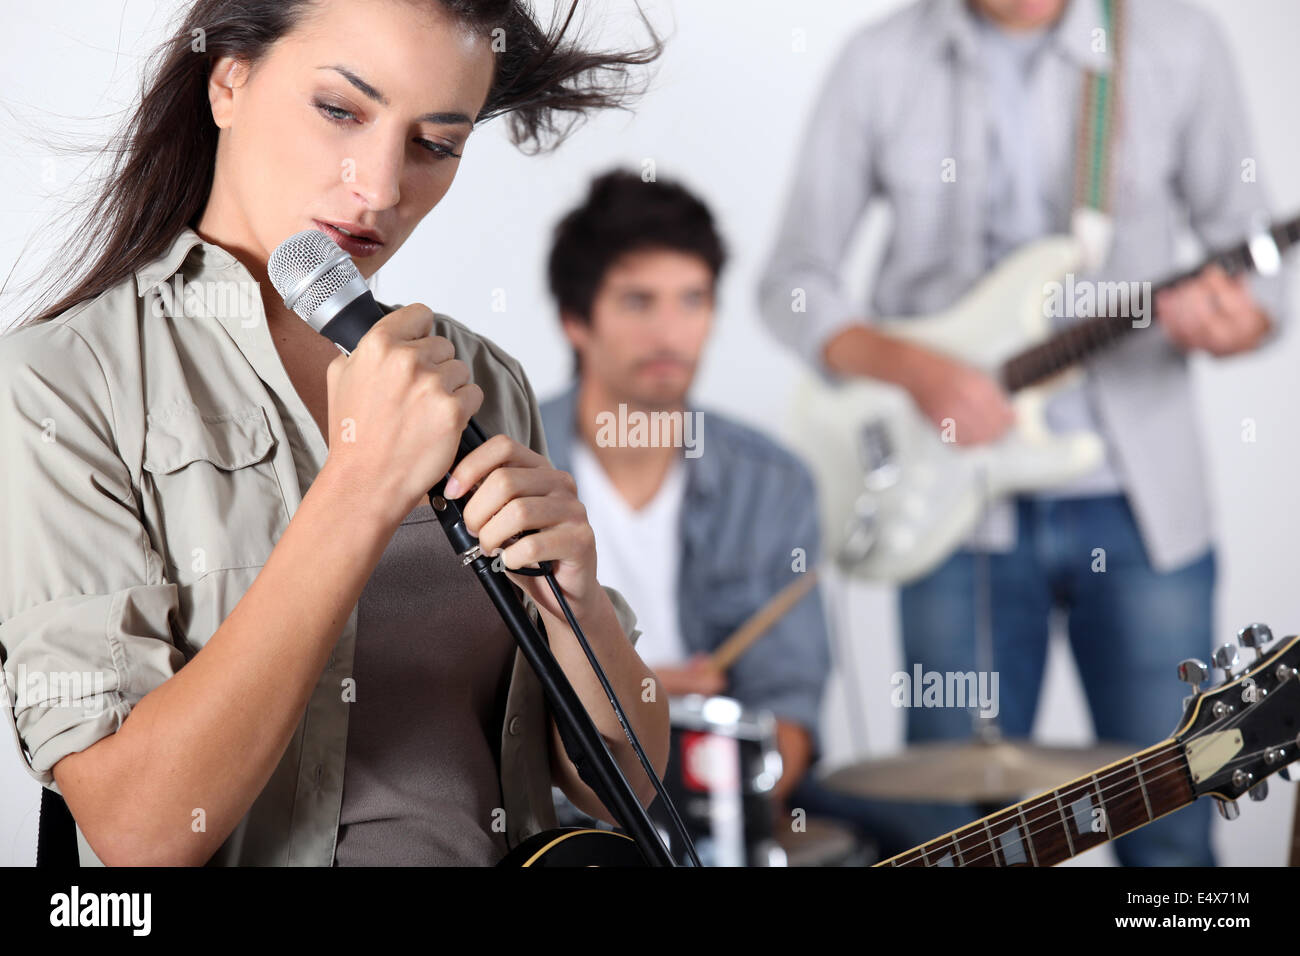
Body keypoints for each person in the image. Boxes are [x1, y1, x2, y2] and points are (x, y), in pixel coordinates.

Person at [0, 0, 669, 867]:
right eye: (341, 111)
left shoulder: (477, 378)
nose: (383, 187)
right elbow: (138, 831)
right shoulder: (63, 380)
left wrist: (576, 607)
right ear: (229, 82)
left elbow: (629, 779)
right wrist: (357, 488)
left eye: (436, 144)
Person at [758, 0, 1288, 866]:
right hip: (948, 510)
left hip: (1142, 504)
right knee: (948, 829)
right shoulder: (877, 61)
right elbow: (794, 280)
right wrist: (919, 371)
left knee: (1174, 825)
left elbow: (1258, 272)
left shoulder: (1179, 42)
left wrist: (1235, 320)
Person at [537, 169, 840, 853]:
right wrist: (629, 688)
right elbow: (481, 713)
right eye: (639, 302)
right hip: (554, 816)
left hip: (717, 807)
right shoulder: (506, 465)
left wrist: (671, 718)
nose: (671, 333)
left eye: (692, 300)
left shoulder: (772, 481)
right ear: (575, 319)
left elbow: (789, 718)